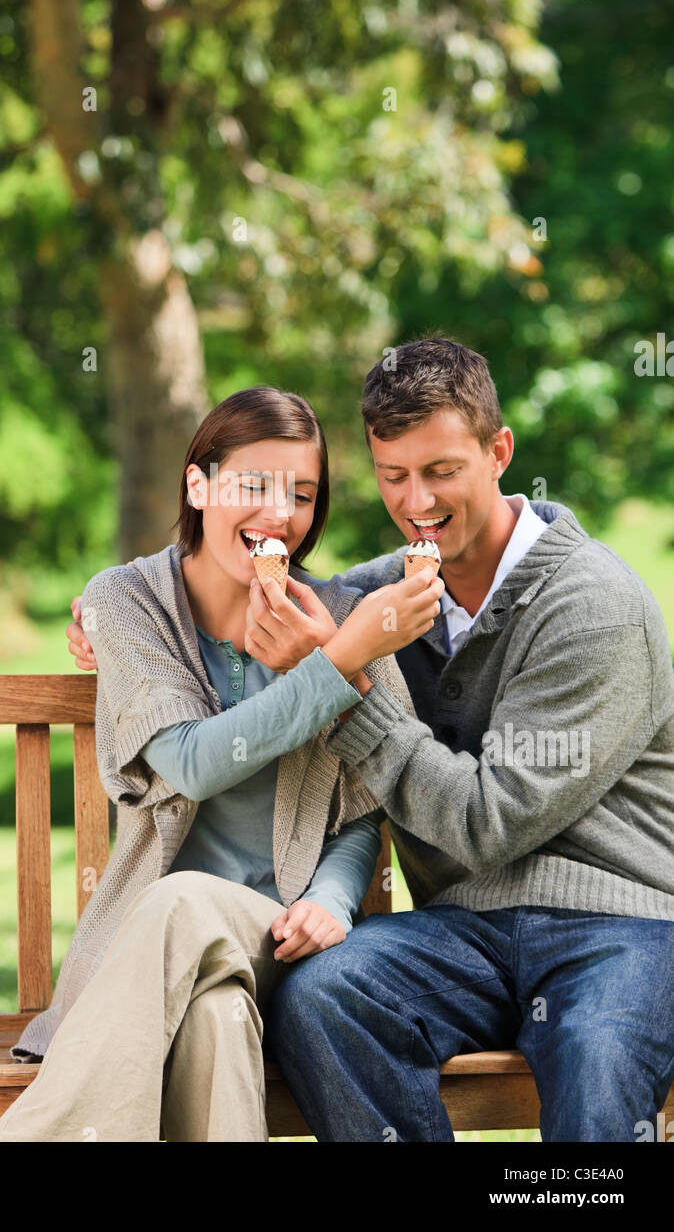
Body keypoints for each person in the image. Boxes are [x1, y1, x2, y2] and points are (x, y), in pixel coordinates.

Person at [66, 335, 674, 1143]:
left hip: (616, 927)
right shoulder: (379, 597)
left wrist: (344, 682)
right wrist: (105, 615)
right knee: (323, 997)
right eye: (394, 476)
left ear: (500, 453)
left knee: (594, 1052)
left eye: (441, 471)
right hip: (463, 931)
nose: (416, 500)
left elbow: (486, 824)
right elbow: (236, 595)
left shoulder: (593, 606)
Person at [0, 384, 442, 1142]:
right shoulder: (127, 603)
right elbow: (192, 764)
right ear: (197, 486)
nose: (280, 515)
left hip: (280, 942)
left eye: (301, 493)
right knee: (217, 1019)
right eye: (253, 485)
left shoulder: (334, 611)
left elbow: (366, 808)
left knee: (180, 904)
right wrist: (339, 662)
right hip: (162, 962)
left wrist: (331, 898)